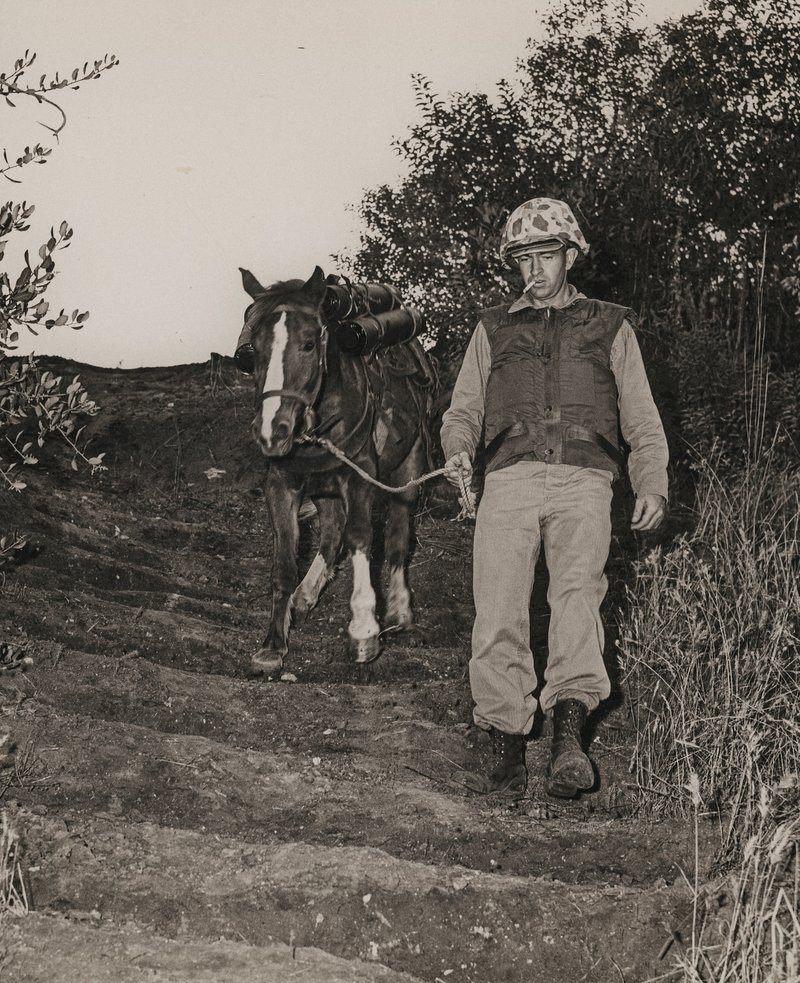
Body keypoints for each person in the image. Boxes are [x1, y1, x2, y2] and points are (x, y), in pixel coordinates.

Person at [440, 197, 668, 798]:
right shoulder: (491, 328)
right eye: (523, 260)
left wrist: (652, 483)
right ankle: (507, 745)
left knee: (576, 602)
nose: (534, 270)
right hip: (509, 480)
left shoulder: (611, 325)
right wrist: (457, 450)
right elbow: (461, 410)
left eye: (545, 256)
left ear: (571, 255)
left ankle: (568, 740)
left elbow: (642, 420)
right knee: (498, 609)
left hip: (584, 481)